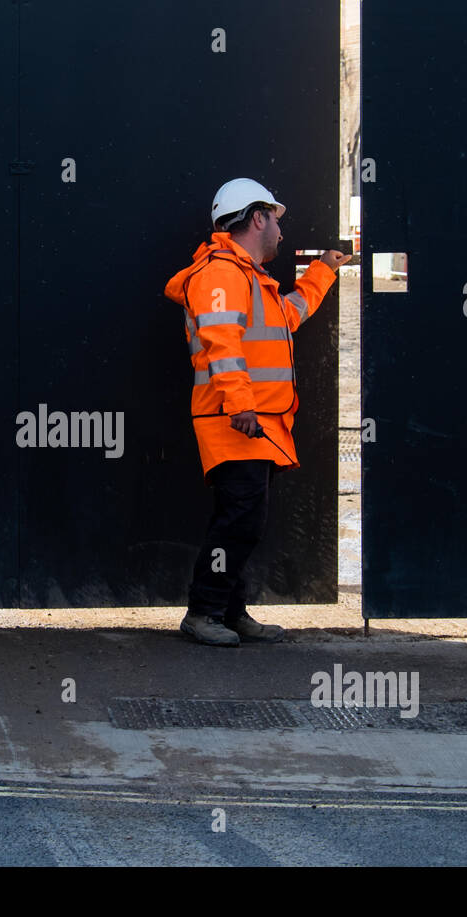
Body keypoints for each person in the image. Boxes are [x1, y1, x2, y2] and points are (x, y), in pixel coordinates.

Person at [163, 178, 351, 646]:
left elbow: (288, 315)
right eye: (276, 221)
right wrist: (242, 406)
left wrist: (324, 270)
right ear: (257, 217)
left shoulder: (250, 279)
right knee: (240, 520)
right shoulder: (221, 275)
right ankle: (204, 612)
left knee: (243, 520)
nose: (282, 234)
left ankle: (229, 611)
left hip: (256, 424)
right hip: (234, 422)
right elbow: (222, 344)